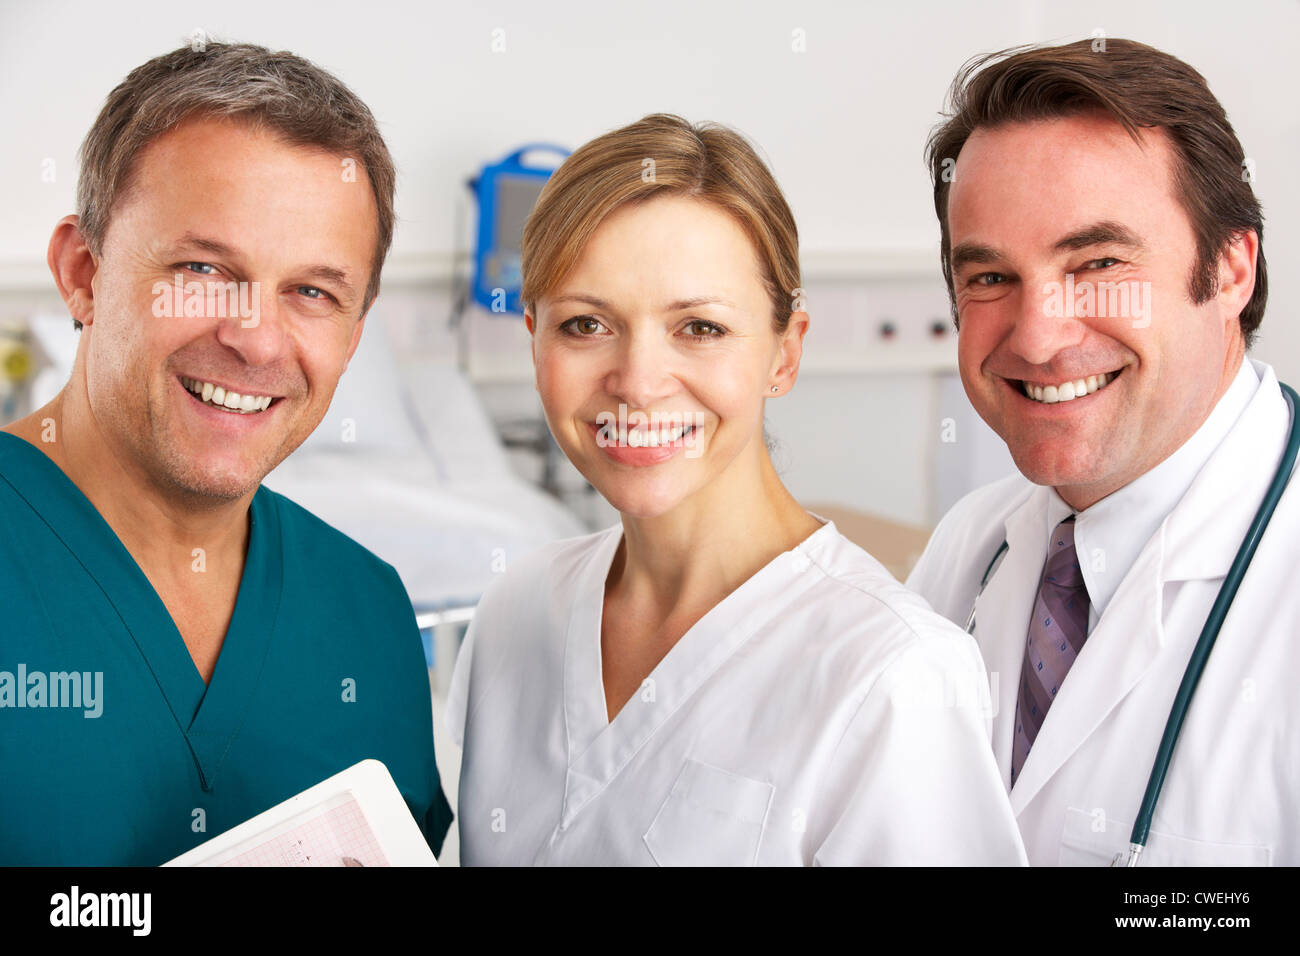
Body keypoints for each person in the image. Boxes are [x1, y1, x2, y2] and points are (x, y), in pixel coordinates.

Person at [446, 113, 1025, 866]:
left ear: (785, 353)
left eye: (700, 329)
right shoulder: (517, 613)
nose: (639, 382)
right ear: (534, 340)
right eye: (586, 325)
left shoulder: (892, 676)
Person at [0, 42, 452, 865]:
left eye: (313, 292)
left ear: (356, 330)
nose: (253, 338)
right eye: (204, 269)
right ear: (82, 272)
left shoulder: (368, 612)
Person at [907, 38, 1298, 865]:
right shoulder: (965, 555)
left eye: (1098, 264)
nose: (1040, 337)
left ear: (1232, 268)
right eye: (989, 278)